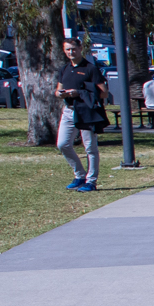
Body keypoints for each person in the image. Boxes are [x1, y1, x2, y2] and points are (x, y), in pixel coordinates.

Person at [53, 38, 108, 192]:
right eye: (68, 49)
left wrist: (79, 93)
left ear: (80, 48)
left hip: (86, 111)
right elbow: (59, 89)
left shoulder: (90, 69)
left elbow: (103, 93)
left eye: (73, 49)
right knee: (62, 144)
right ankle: (79, 175)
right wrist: (59, 94)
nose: (71, 52)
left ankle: (91, 181)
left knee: (90, 147)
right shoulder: (64, 69)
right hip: (69, 110)